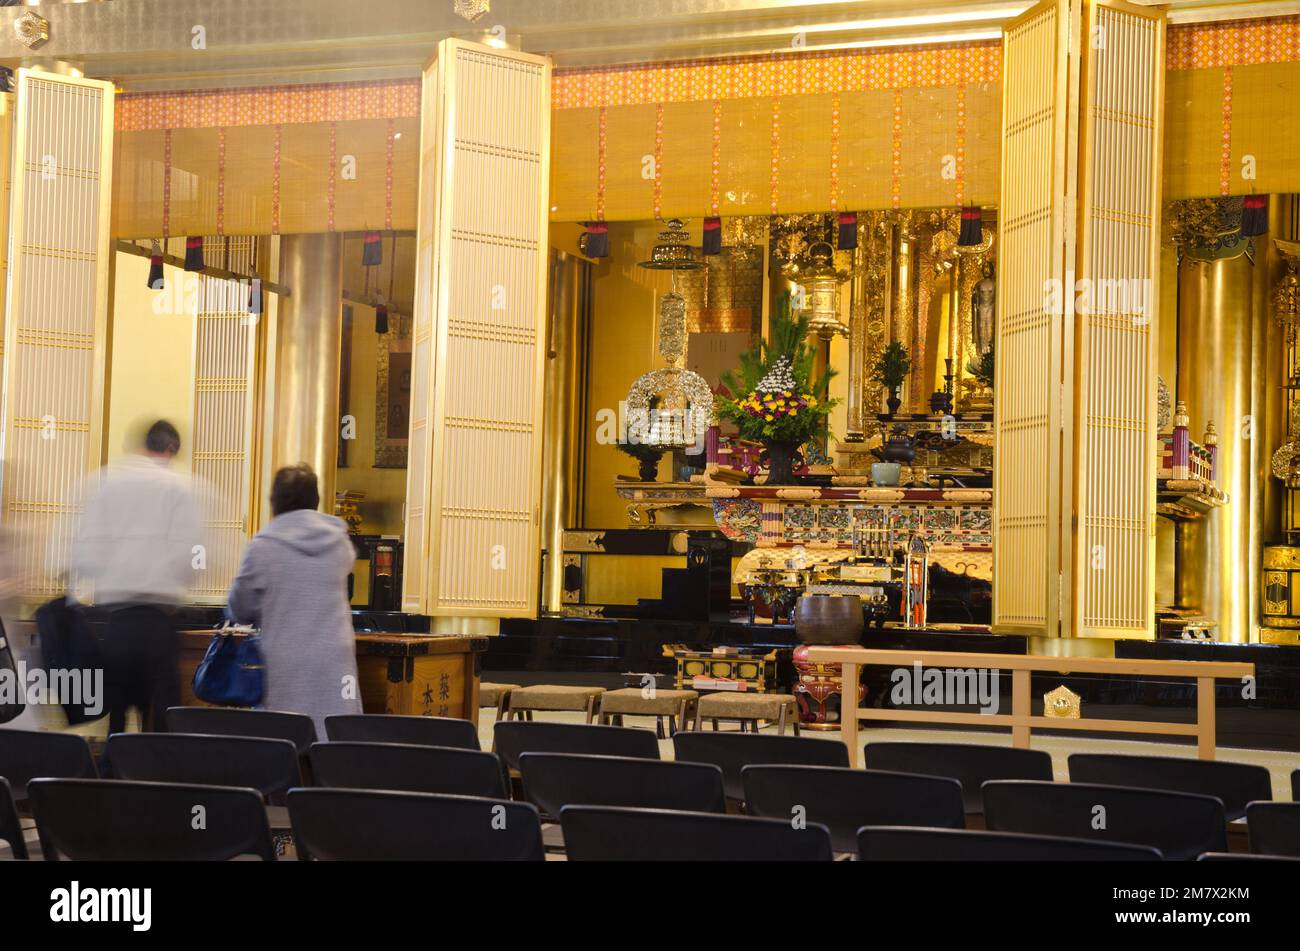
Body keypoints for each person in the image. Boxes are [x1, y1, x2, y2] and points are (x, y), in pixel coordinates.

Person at [70, 419, 203, 735]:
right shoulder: (178, 487)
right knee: (157, 725)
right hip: (157, 624)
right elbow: (191, 558)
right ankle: (152, 776)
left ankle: (113, 772)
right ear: (171, 449)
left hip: (116, 623)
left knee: (116, 720)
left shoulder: (106, 482)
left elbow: (85, 555)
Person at [226, 463, 361, 733]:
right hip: (335, 658)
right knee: (332, 736)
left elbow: (239, 609)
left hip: (285, 659)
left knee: (285, 738)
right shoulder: (339, 542)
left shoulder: (264, 546)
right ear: (316, 500)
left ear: (274, 502)